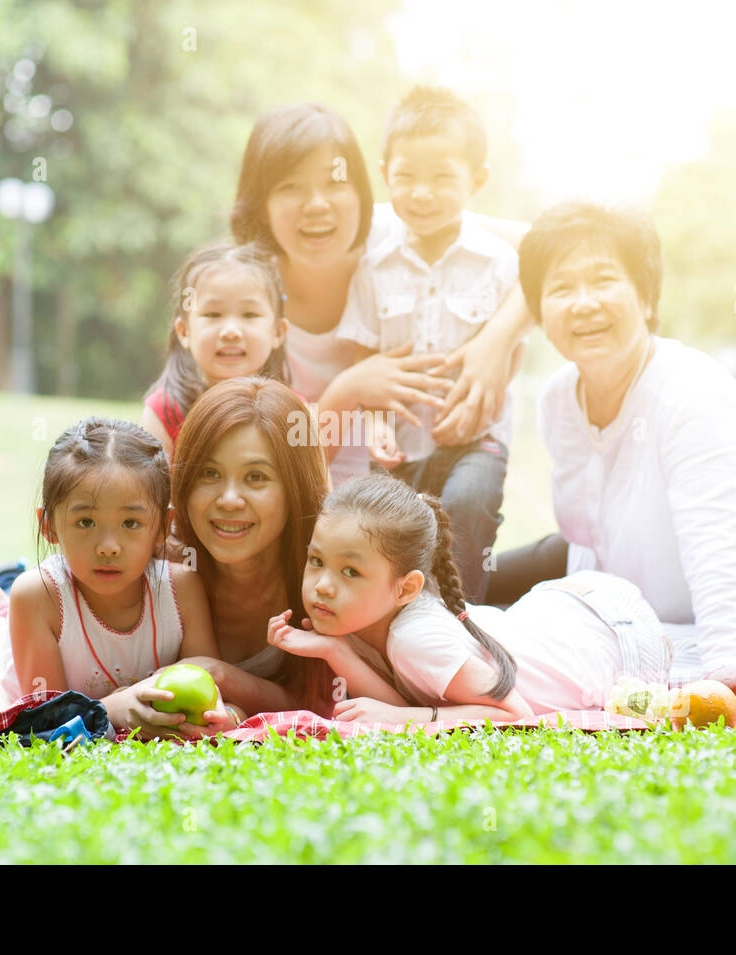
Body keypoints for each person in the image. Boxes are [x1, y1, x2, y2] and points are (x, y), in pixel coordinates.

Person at [488, 201, 736, 710]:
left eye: (604, 280)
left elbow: (721, 561)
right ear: (540, 312)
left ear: (647, 297)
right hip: (594, 598)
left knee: (480, 652)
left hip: (679, 628)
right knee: (446, 606)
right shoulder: (559, 398)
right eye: (561, 288)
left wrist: (730, 673)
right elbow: (586, 536)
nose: (583, 303)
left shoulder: (694, 397)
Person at [229, 102, 533, 488]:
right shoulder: (243, 297)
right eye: (290, 187)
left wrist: (495, 344)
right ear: (261, 204)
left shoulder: (408, 229)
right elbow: (269, 477)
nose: (317, 204)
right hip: (310, 512)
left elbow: (554, 252)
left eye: (335, 182)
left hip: (404, 491)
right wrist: (348, 389)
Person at [0, 419, 233, 740]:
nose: (109, 547)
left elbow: (210, 685)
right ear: (49, 525)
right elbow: (43, 720)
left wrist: (222, 715)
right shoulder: (38, 594)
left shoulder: (181, 589)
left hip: (14, 635)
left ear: (162, 526)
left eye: (131, 524)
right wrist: (112, 707)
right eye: (86, 522)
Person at [265, 473, 672, 725]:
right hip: (567, 609)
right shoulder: (362, 617)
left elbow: (515, 715)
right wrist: (337, 653)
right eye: (316, 561)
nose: (322, 584)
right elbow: (406, 700)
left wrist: (405, 720)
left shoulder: (414, 637)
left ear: (406, 588)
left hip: (620, 637)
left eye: (350, 571)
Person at [334, 86, 520, 603]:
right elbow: (361, 359)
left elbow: (510, 351)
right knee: (390, 537)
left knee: (468, 502)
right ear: (386, 172)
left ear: (477, 181)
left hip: (474, 440)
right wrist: (371, 424)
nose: (422, 192)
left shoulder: (498, 263)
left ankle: (462, 622)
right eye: (407, 176)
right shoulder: (374, 267)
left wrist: (488, 391)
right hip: (397, 447)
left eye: (443, 177)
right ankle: (394, 630)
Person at [166, 377, 335, 715]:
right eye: (209, 474)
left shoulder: (331, 577)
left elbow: (328, 706)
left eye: (256, 477)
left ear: (295, 489)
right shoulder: (157, 569)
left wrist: (221, 677)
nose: (229, 500)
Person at [141, 243, 290, 460]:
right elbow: (149, 493)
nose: (230, 331)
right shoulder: (165, 413)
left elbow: (319, 491)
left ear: (277, 332)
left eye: (249, 315)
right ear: (184, 331)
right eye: (212, 314)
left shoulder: (296, 413)